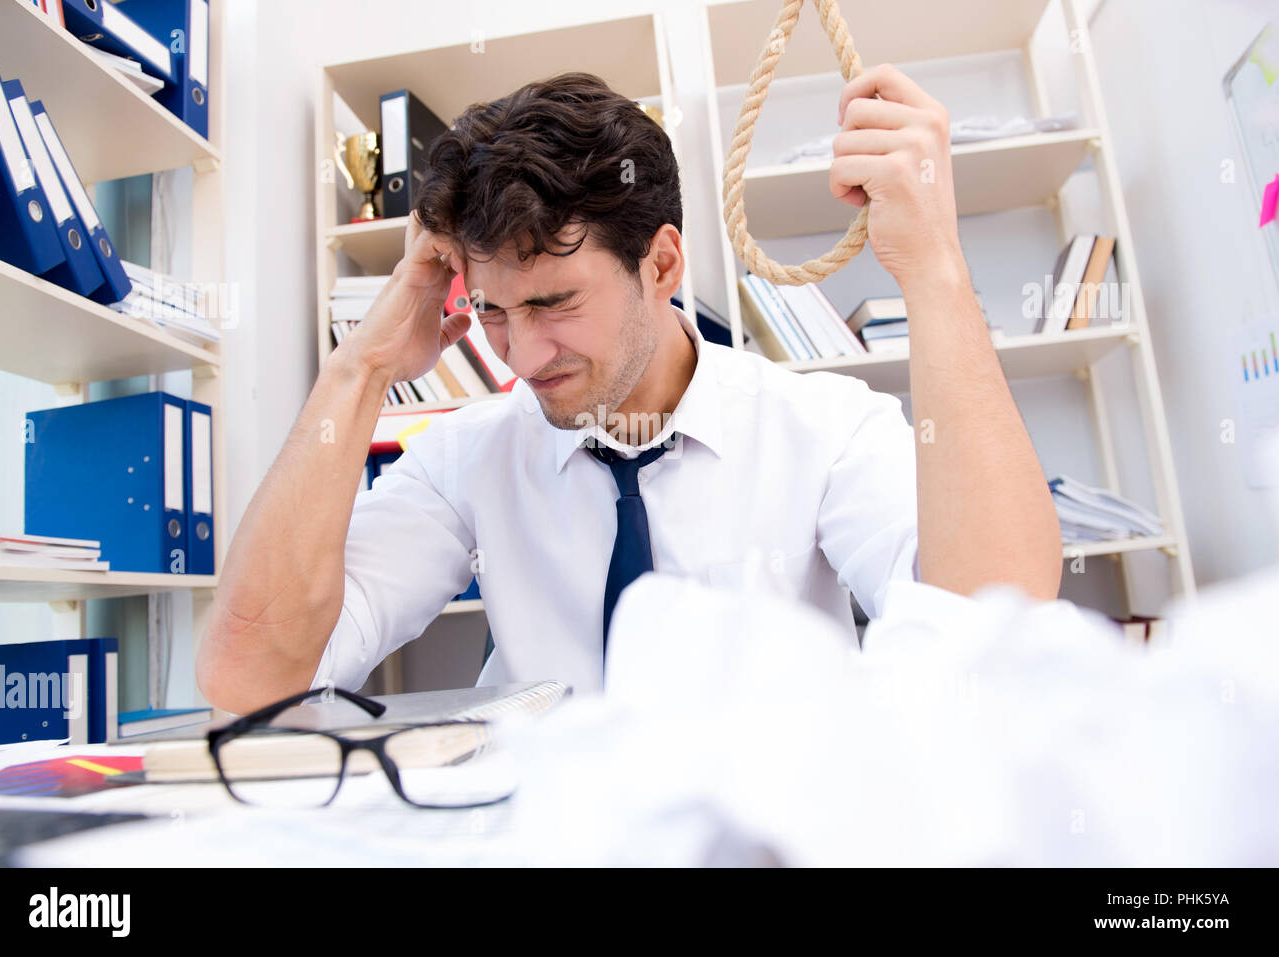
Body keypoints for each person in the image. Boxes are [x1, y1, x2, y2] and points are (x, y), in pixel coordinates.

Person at [197, 68, 1061, 714]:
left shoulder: (823, 427)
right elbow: (251, 679)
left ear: (663, 264)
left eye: (554, 303)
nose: (521, 357)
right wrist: (361, 369)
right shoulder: (468, 455)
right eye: (494, 311)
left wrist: (935, 266)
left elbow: (997, 621)